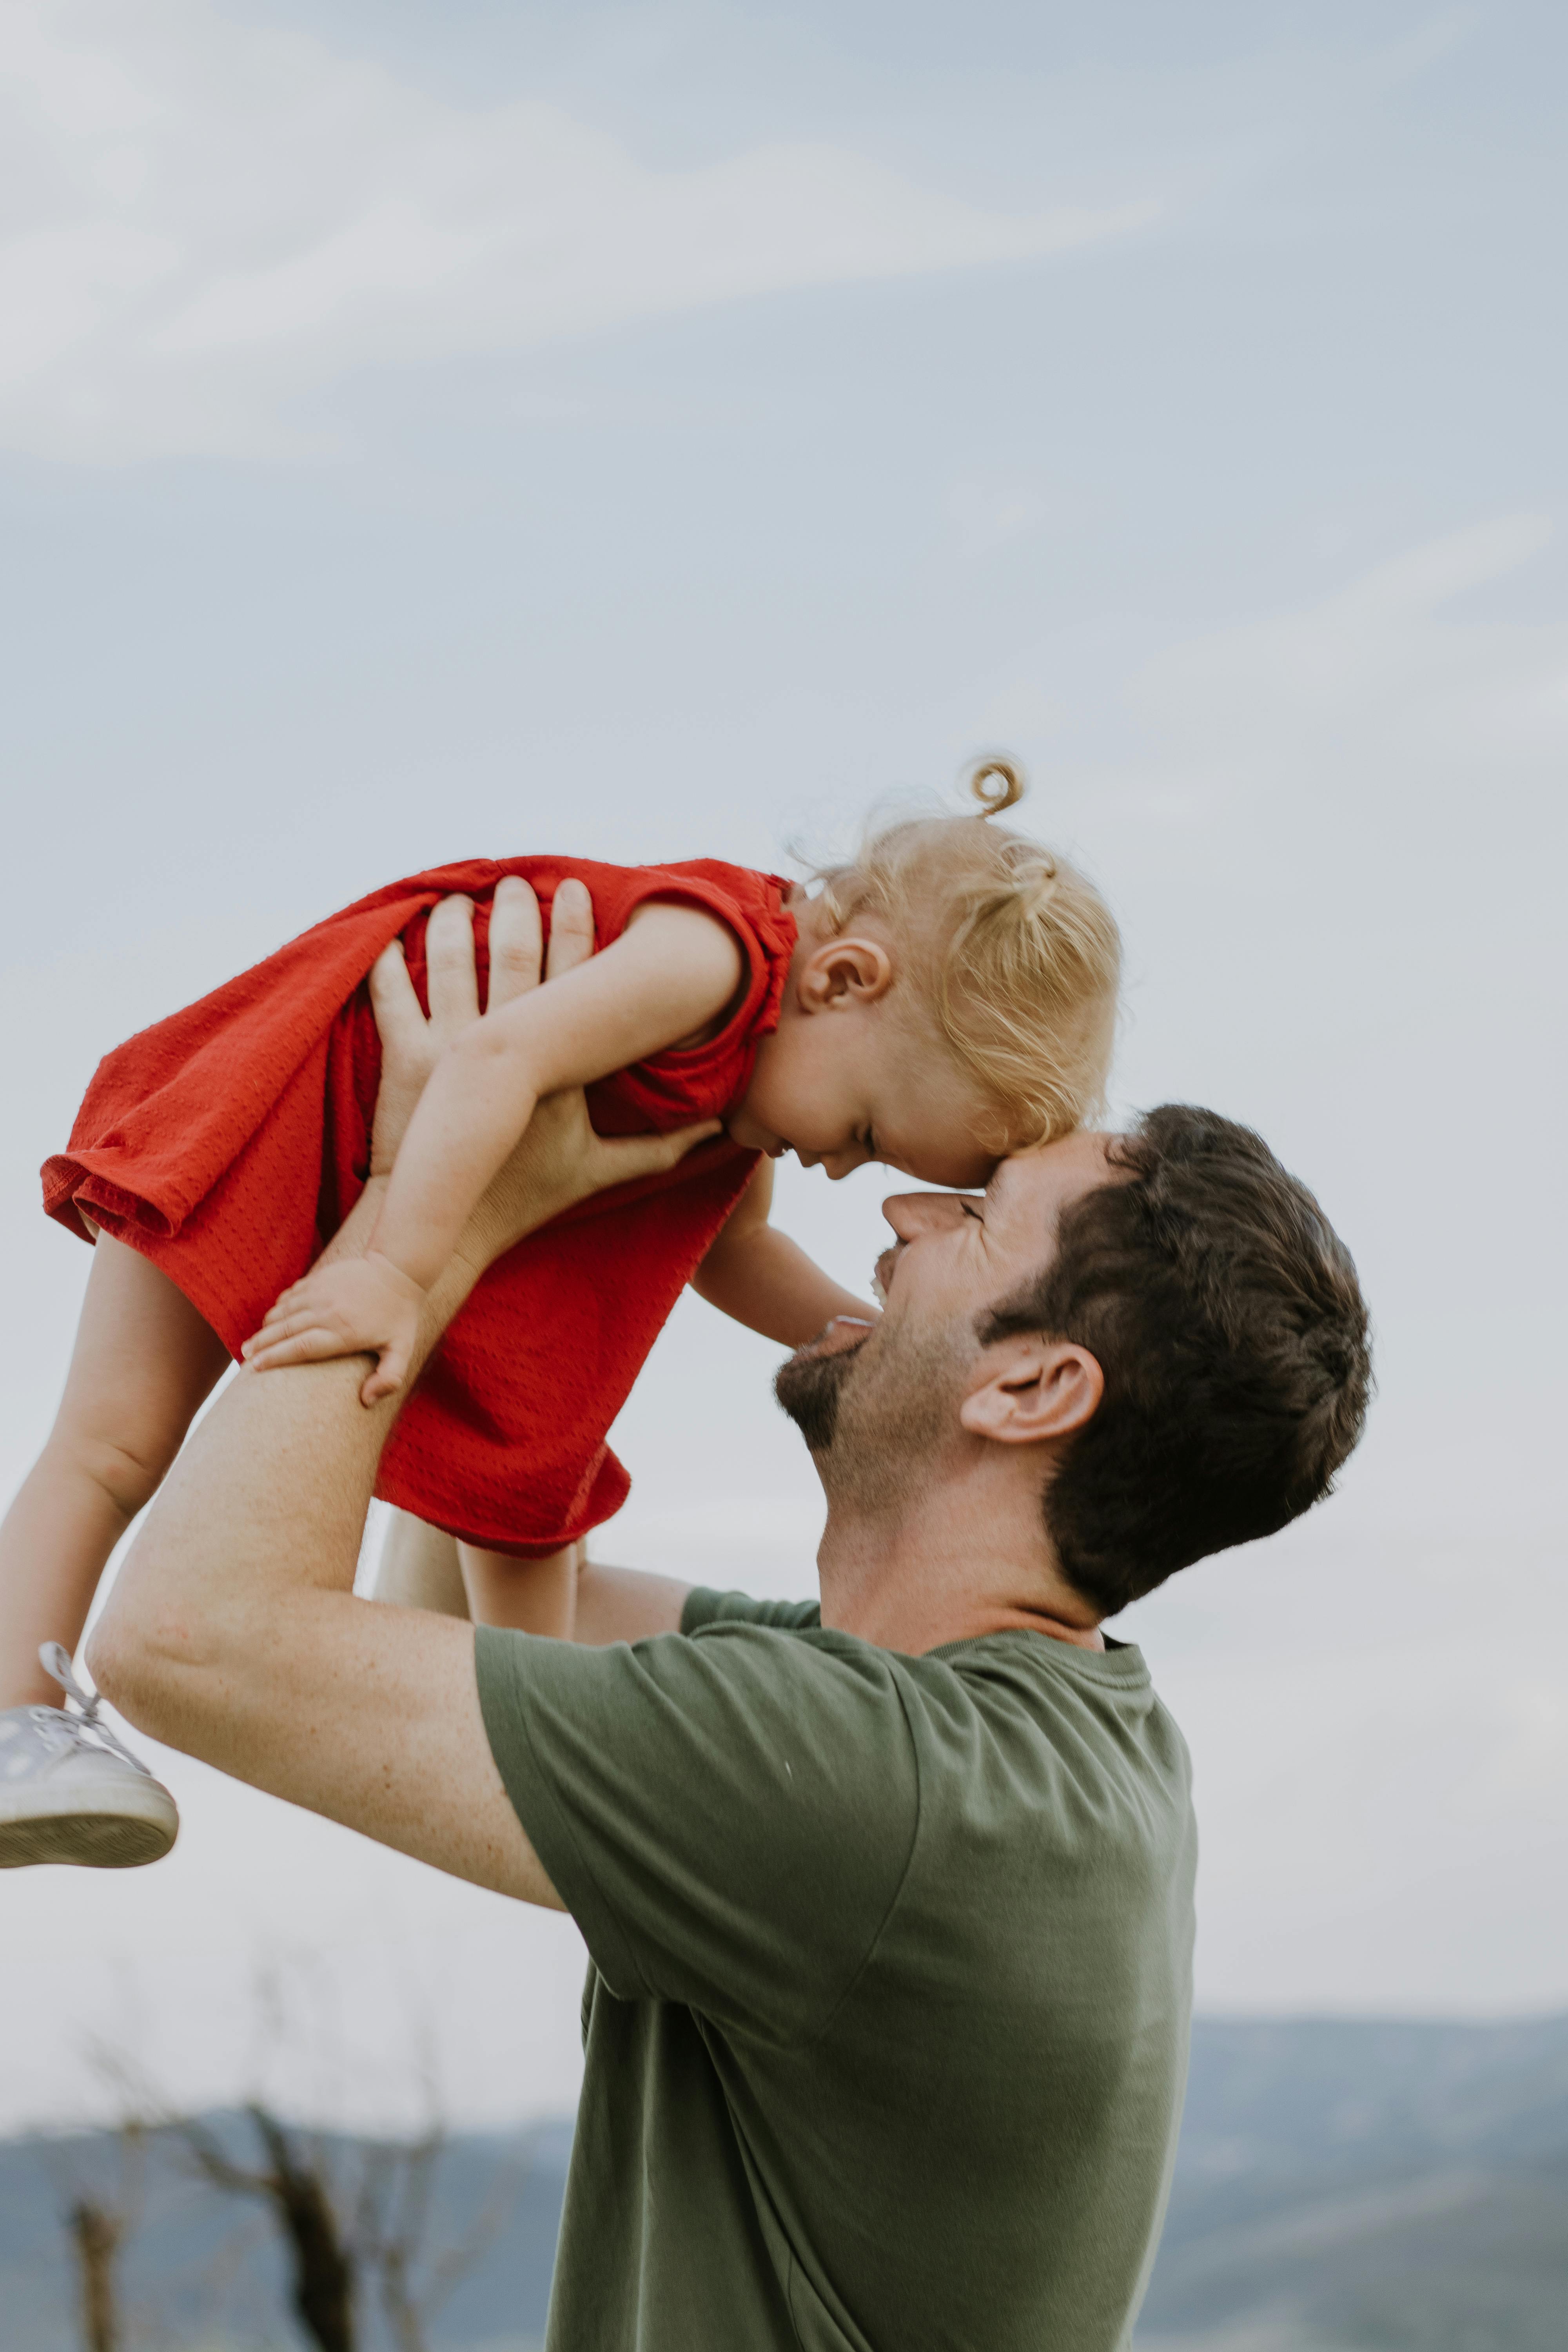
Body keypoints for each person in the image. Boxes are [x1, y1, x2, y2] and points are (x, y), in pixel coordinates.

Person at [76, 899, 1369, 2351]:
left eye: (977, 1213)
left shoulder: (897, 1798)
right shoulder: (1004, 1745)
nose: (899, 1208)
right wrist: (548, 1228)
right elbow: (443, 1618)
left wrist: (421, 1205)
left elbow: (192, 1635)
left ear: (1032, 1390)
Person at [0, 762, 1121, 1868]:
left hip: (411, 1181)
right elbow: (494, 1054)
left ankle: (526, 1729)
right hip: (300, 1104)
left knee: (537, 1445)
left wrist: (871, 1342)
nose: (840, 1171)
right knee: (112, 1444)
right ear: (843, 979)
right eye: (867, 1132)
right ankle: (17, 1716)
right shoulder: (715, 962)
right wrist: (397, 1265)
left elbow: (737, 1253)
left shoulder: (753, 1086)